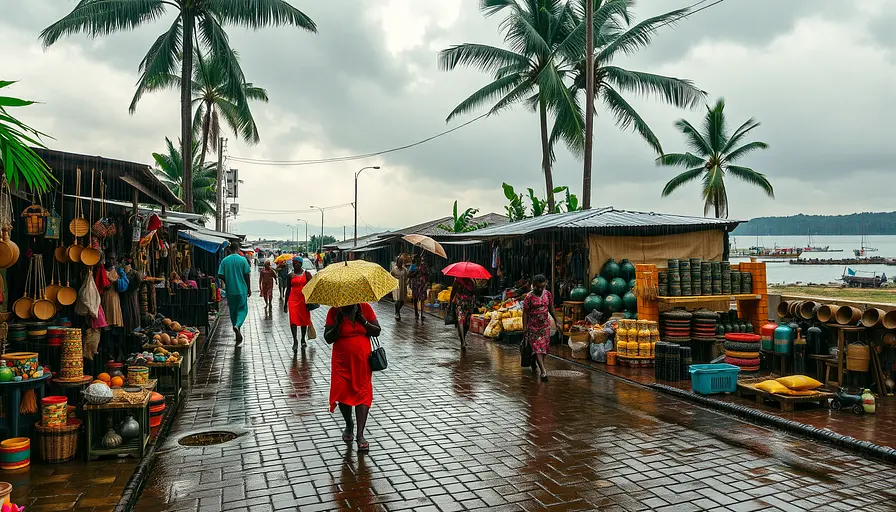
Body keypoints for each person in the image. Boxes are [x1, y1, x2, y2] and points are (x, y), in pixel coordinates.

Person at [324, 302, 381, 453]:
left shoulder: (365, 308)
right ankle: (349, 424)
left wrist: (363, 320)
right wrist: (338, 323)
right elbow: (328, 338)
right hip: (341, 362)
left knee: (362, 393)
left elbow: (377, 331)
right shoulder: (334, 311)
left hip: (362, 360)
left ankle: (360, 434)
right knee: (342, 392)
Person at [523, 274, 560, 382]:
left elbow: (551, 308)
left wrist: (557, 320)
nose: (540, 289)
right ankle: (543, 371)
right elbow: (525, 313)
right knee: (538, 347)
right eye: (537, 287)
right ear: (533, 285)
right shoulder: (528, 297)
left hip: (545, 326)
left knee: (543, 348)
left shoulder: (547, 294)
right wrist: (524, 327)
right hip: (533, 327)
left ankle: (535, 361)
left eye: (542, 287)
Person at [217, 244, 251, 345]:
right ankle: (237, 326)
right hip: (242, 290)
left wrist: (227, 281)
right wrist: (248, 289)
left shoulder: (224, 260)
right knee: (242, 310)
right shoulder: (243, 260)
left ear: (230, 249)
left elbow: (220, 274)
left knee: (233, 311)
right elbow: (247, 275)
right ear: (238, 249)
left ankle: (237, 333)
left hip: (230, 290)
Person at [284, 257, 312, 353]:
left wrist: (310, 301)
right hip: (293, 300)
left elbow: (311, 287)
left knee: (304, 320)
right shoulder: (290, 275)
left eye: (297, 263)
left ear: (300, 264)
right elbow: (288, 289)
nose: (295, 265)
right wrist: (285, 303)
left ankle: (303, 339)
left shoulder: (307, 274)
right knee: (293, 320)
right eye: (294, 263)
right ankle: (295, 340)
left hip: (304, 300)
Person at [449, 277, 475, 349]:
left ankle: (463, 338)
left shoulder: (472, 280)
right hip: (460, 303)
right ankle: (462, 341)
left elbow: (474, 292)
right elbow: (453, 292)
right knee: (460, 321)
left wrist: (473, 283)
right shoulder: (457, 280)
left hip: (468, 304)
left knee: (466, 323)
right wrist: (450, 303)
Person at [408, 253, 429, 321]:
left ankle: (422, 313)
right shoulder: (413, 266)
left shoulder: (424, 266)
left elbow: (427, 275)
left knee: (422, 299)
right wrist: (415, 272)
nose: (419, 260)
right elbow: (409, 275)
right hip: (415, 285)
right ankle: (416, 312)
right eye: (417, 259)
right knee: (415, 299)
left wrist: (427, 284)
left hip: (422, 285)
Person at [390, 255, 409, 321]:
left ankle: (397, 311)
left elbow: (407, 277)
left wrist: (407, 283)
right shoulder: (394, 270)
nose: (401, 264)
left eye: (402, 262)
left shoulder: (405, 270)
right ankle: (397, 313)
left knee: (402, 301)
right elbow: (390, 277)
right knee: (397, 300)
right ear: (397, 263)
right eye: (399, 262)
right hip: (396, 286)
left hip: (403, 286)